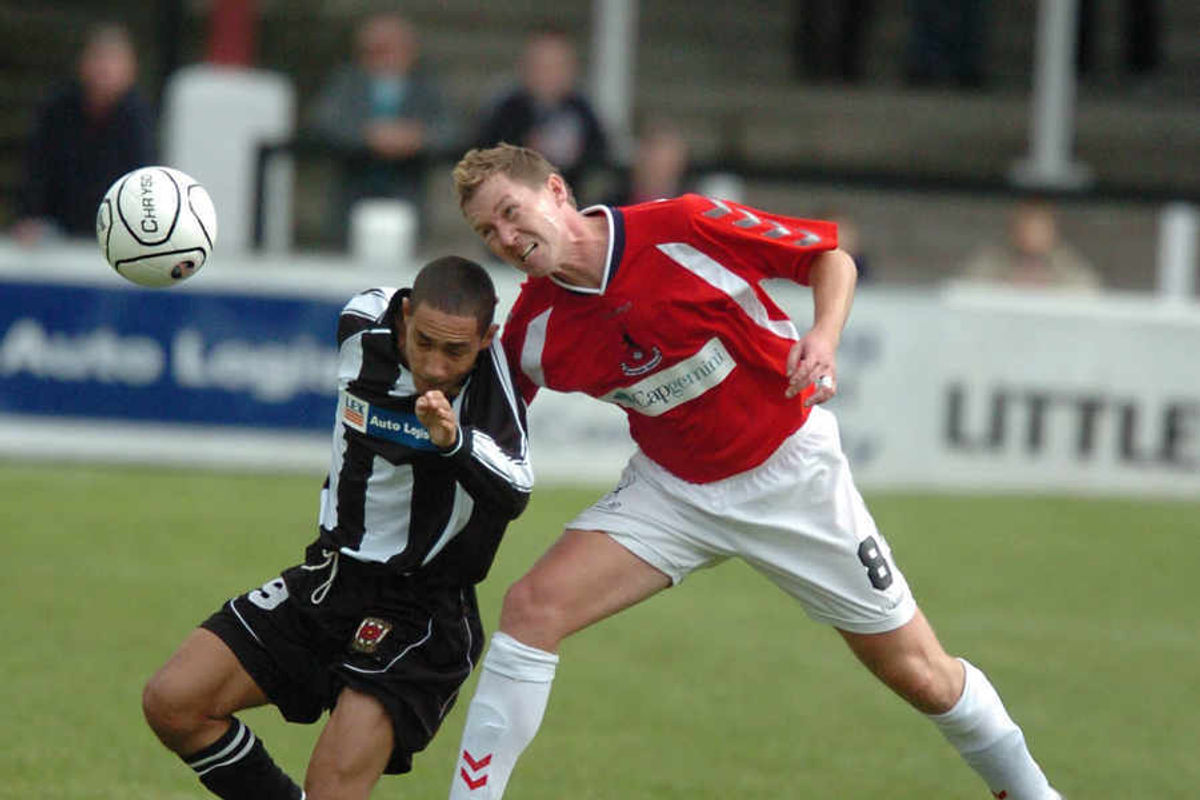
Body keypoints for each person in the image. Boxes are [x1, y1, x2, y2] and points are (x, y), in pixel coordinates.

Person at [445, 144, 1064, 799]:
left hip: (793, 473)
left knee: (922, 675)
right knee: (532, 607)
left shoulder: (681, 226)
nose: (507, 238)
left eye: (512, 212)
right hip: (672, 495)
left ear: (557, 191)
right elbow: (484, 426)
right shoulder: (533, 329)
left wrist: (823, 336)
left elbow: (829, 258)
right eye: (489, 231)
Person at [141, 256, 533, 800]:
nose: (438, 366)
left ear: (487, 339)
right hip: (327, 578)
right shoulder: (359, 326)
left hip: (421, 615)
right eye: (424, 342)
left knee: (331, 788)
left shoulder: (491, 394)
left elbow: (515, 490)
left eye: (456, 351)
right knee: (173, 702)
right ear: (402, 317)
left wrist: (454, 442)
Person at [307, 13, 457, 247]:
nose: (382, 58)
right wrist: (368, 136)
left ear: (410, 51)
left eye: (389, 49)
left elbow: (450, 130)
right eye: (374, 51)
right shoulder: (346, 82)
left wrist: (416, 138)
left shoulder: (427, 87)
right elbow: (324, 123)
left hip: (407, 189)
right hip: (353, 189)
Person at [12, 22, 156, 244]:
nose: (105, 69)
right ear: (83, 63)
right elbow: (36, 170)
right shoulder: (57, 110)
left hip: (118, 232)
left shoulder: (139, 118)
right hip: (56, 229)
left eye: (114, 60)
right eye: (99, 58)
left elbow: (144, 181)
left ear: (131, 69)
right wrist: (30, 217)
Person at [473, 28, 608, 193]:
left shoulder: (582, 111)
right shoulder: (506, 111)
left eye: (556, 66)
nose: (548, 74)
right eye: (541, 66)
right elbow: (483, 152)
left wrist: (577, 156)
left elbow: (600, 155)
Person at [960, 198, 1102, 291]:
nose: (1031, 233)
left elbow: (1089, 300)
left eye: (1039, 227)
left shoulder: (1068, 266)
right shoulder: (991, 262)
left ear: (1052, 230)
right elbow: (966, 295)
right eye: (1025, 224)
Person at [602, 119, 692, 207]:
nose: (654, 162)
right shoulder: (611, 207)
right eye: (650, 152)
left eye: (662, 157)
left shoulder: (692, 209)